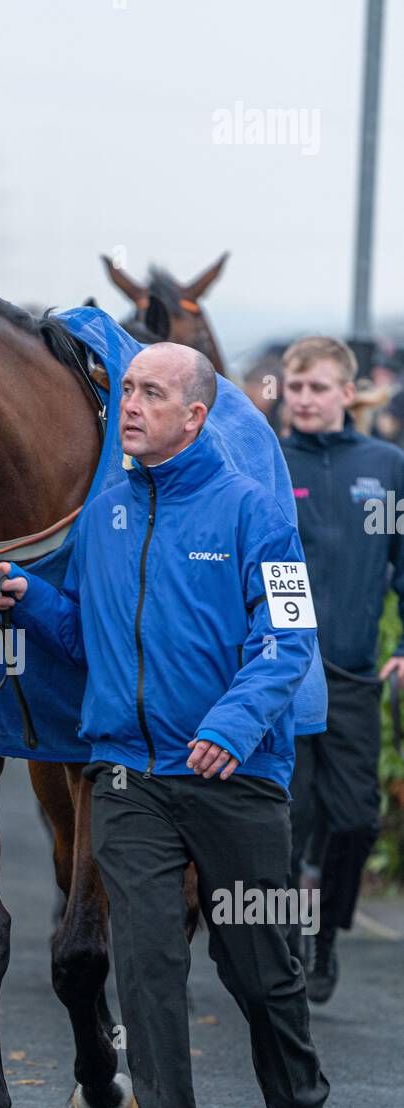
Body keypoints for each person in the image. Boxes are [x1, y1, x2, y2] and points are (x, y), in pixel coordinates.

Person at [0, 342, 330, 1108]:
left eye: (151, 392)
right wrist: (31, 596)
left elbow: (288, 641)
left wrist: (231, 725)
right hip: (127, 784)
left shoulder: (257, 514)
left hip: (236, 779)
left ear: (196, 416)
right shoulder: (103, 517)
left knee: (261, 972)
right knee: (144, 971)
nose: (129, 405)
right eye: (127, 390)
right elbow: (93, 639)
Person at [281, 337, 404, 1002]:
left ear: (345, 393)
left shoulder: (386, 466)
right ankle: (293, 943)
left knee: (355, 819)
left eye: (317, 389)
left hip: (354, 674)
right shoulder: (269, 462)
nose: (304, 400)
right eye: (295, 389)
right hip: (281, 674)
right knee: (291, 819)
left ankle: (327, 934)